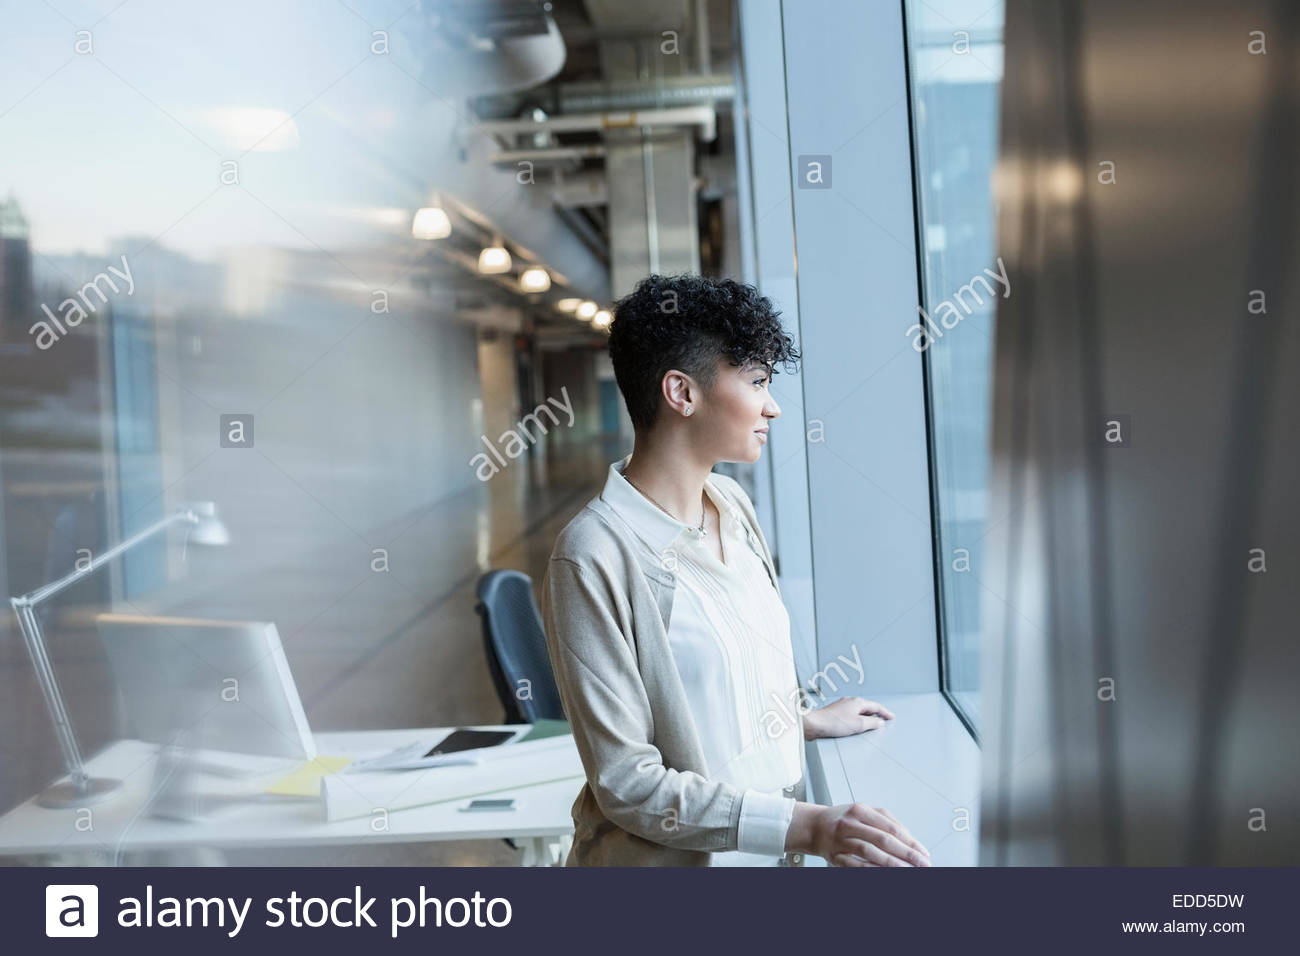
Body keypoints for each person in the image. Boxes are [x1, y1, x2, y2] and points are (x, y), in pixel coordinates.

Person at [541, 274, 932, 868]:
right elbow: (628, 783)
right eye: (755, 382)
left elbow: (704, 692)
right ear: (682, 392)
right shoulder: (593, 555)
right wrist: (812, 828)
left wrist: (794, 721)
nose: (771, 404)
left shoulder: (731, 503)